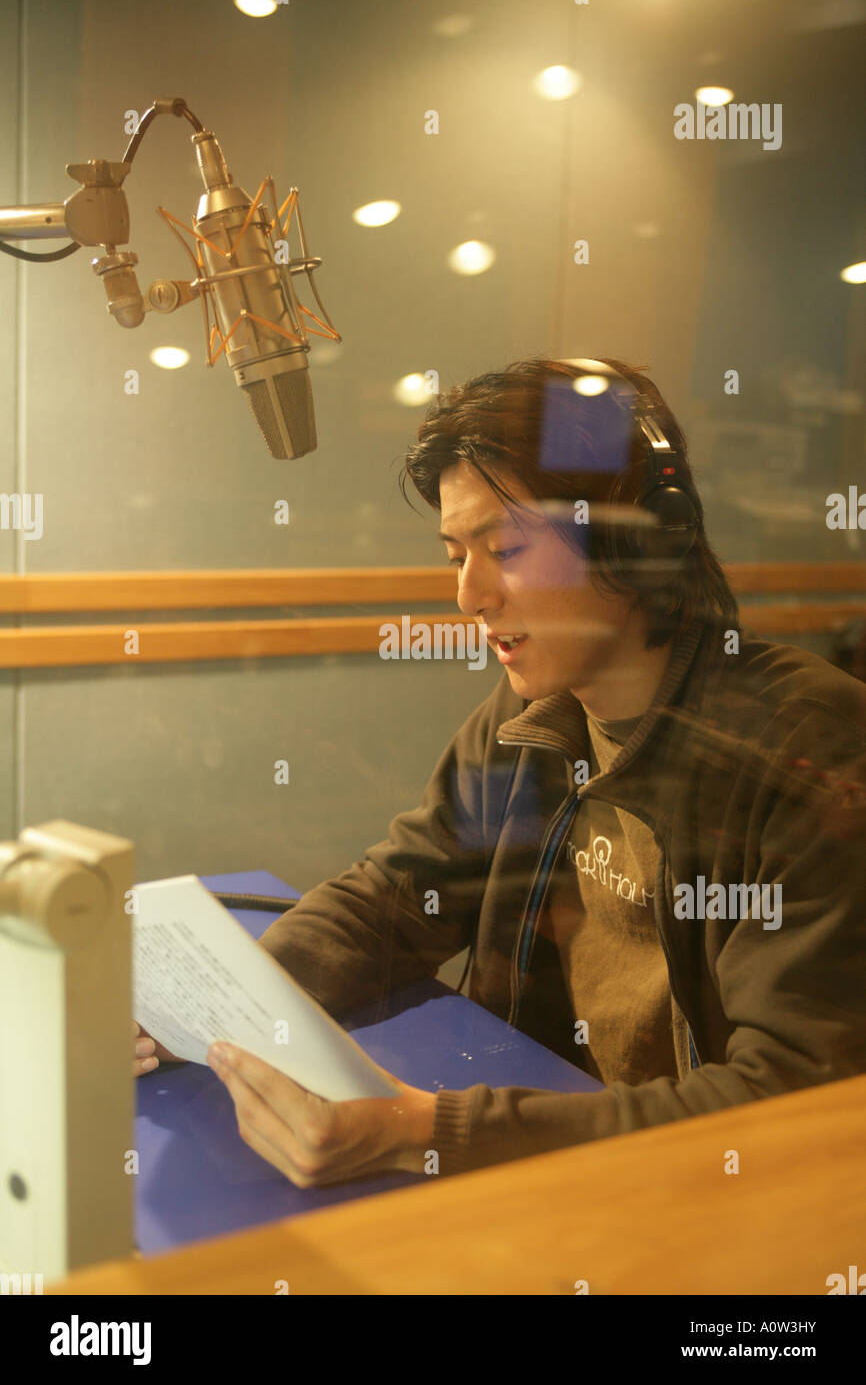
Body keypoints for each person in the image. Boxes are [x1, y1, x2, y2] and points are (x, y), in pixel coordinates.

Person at [134, 356, 866, 1188]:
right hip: (543, 1152)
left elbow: (790, 1104)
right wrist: (197, 1008)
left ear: (639, 538)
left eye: (506, 547)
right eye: (455, 554)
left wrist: (426, 1131)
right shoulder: (530, 722)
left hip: (694, 1201)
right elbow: (394, 896)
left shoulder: (811, 749)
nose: (469, 596)